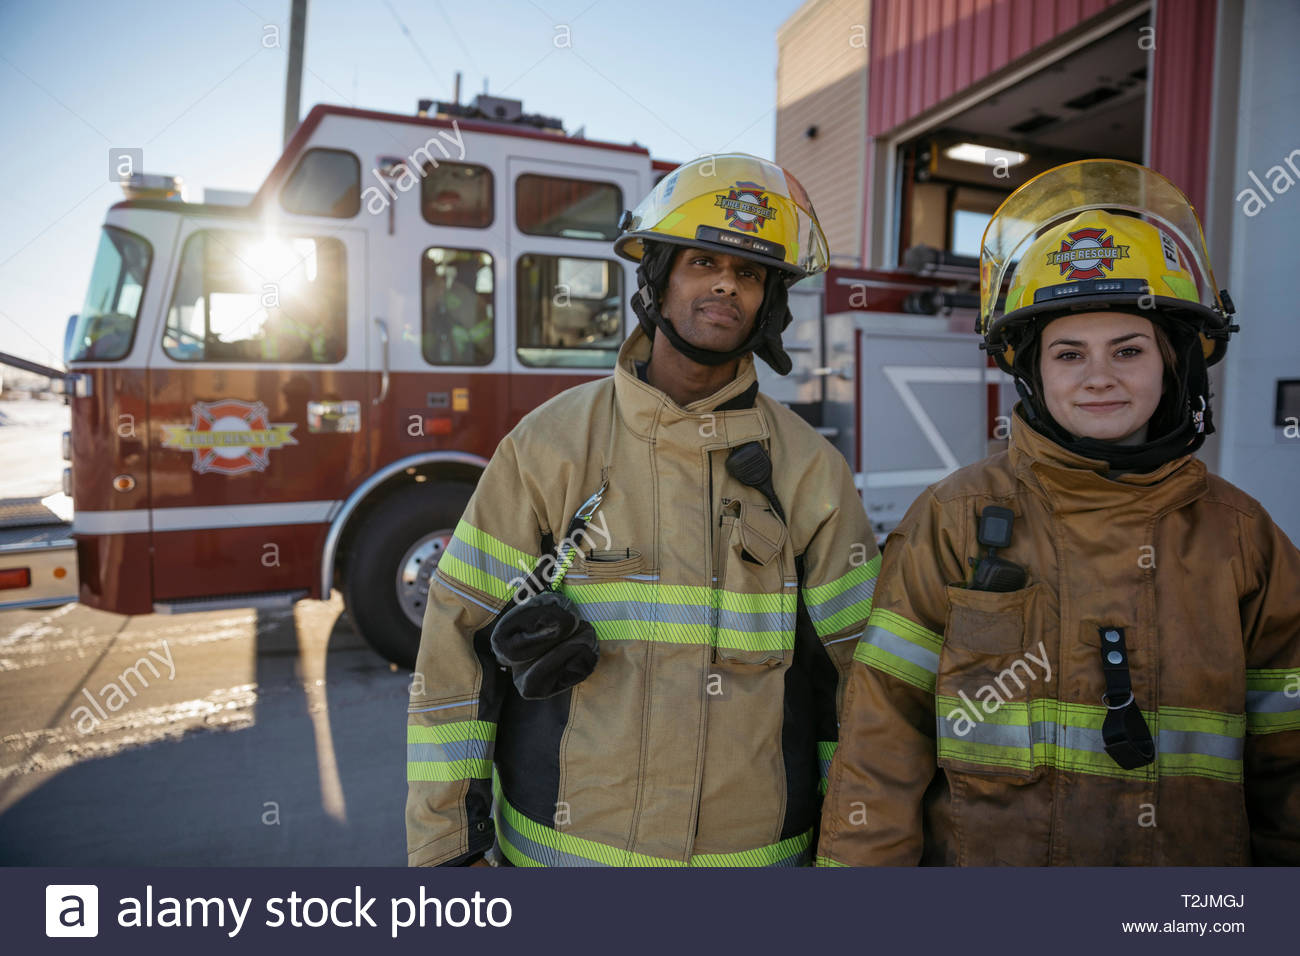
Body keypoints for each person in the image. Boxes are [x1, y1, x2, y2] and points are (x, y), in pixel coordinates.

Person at [817, 159, 1300, 866]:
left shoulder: (1242, 537)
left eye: (1128, 349)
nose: (1099, 376)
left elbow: (1290, 762)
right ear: (1032, 372)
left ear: (1173, 363)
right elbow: (882, 743)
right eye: (1069, 353)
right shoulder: (953, 520)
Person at [406, 154, 878, 867]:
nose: (725, 283)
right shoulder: (551, 445)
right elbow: (455, 647)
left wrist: (854, 857)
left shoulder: (811, 472)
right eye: (701, 261)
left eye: (749, 273)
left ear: (770, 303)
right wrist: (448, 848)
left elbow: (863, 686)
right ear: (657, 276)